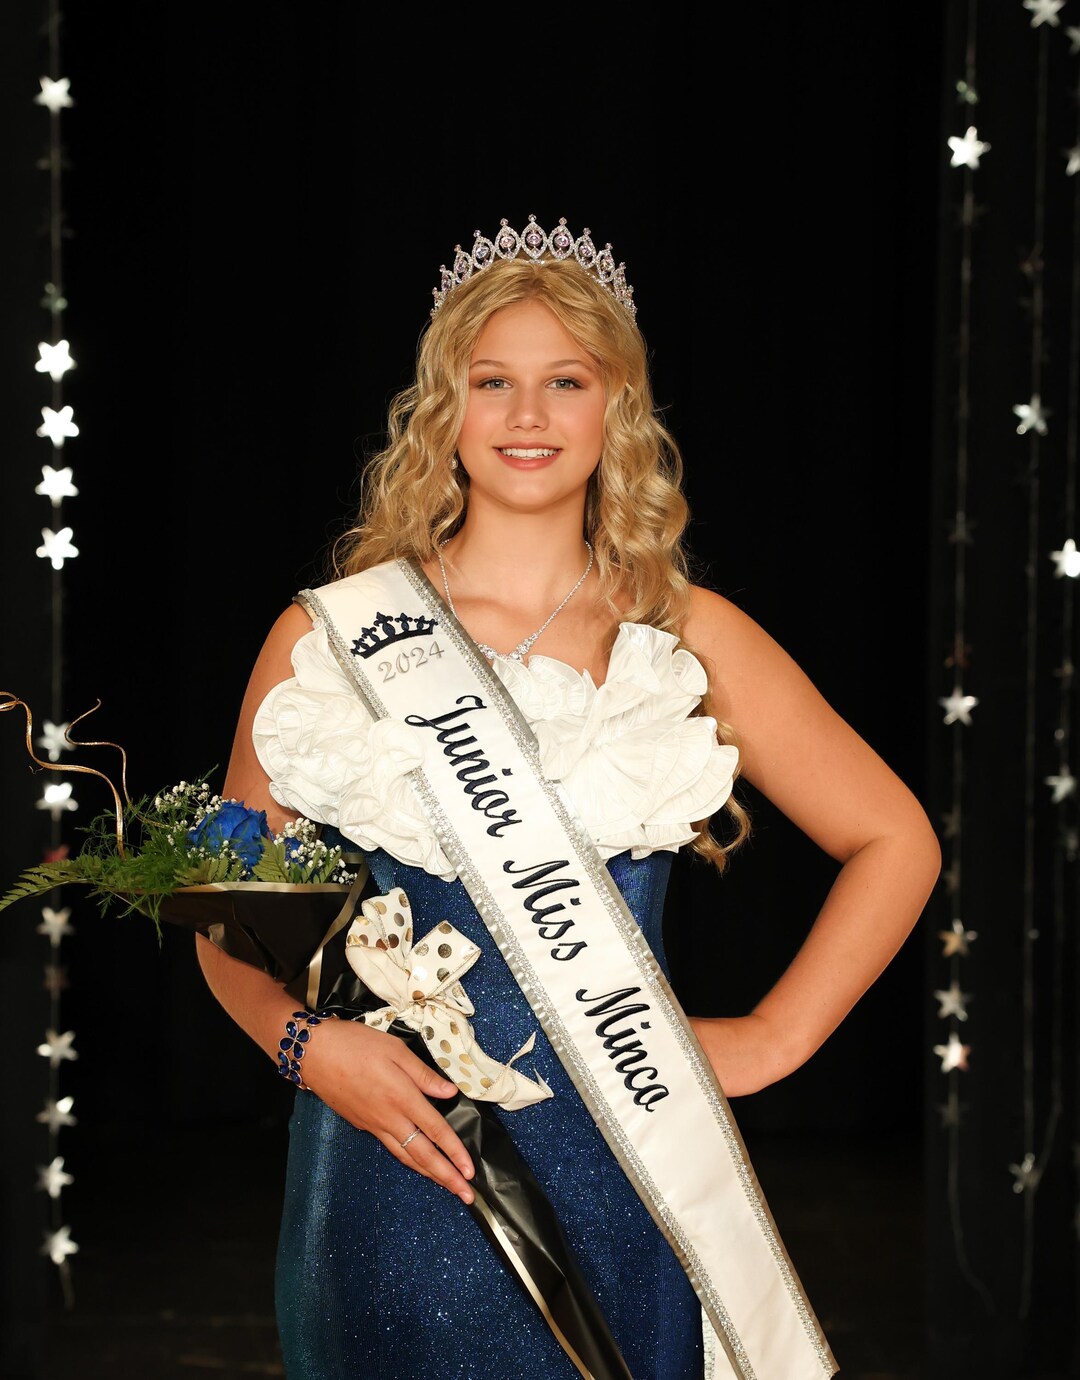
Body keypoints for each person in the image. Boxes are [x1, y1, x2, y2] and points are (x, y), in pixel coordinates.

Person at [195, 215, 941, 1380]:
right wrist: (305, 1047)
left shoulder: (685, 640)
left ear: (616, 412)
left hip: (627, 1160)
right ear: (444, 413)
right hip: (397, 1166)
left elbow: (896, 839)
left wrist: (775, 1039)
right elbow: (225, 915)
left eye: (565, 381)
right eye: (492, 382)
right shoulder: (329, 637)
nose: (528, 415)